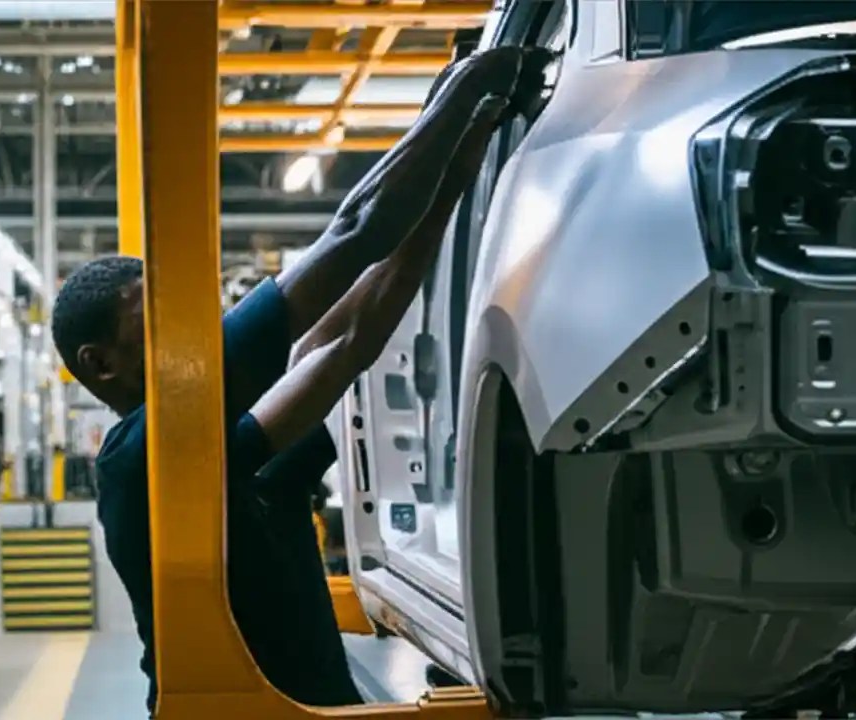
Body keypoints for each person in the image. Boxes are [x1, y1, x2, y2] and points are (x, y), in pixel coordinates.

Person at [52, 45, 542, 714]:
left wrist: (463, 153)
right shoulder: (141, 460)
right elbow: (355, 231)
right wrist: (462, 89)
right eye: (158, 317)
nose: (196, 325)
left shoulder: (219, 458)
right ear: (100, 364)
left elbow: (349, 339)